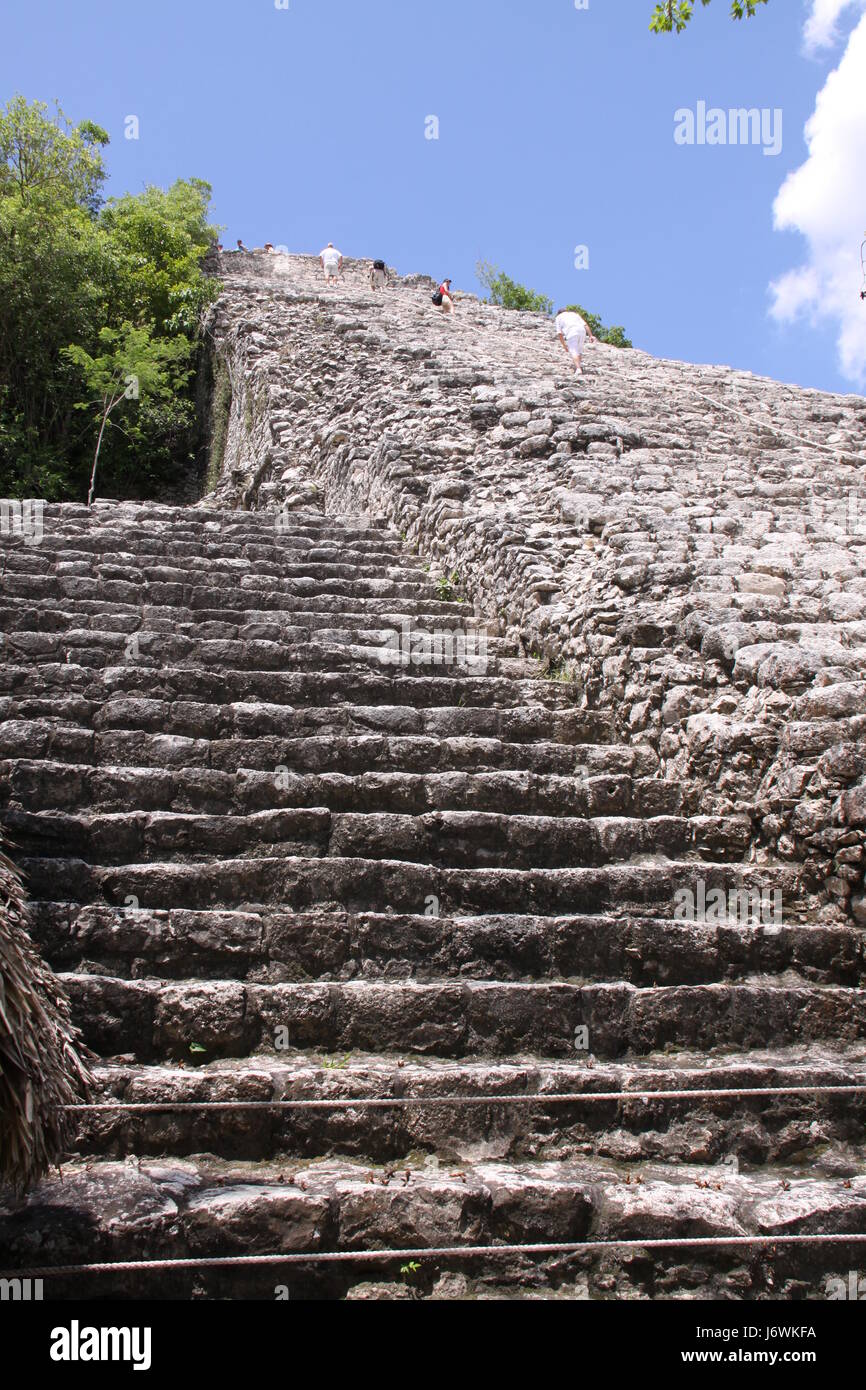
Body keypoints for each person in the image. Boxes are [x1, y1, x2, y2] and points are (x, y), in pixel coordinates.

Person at [554, 307, 595, 375]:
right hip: (582, 331)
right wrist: (590, 335)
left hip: (571, 332)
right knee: (579, 350)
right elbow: (585, 325)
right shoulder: (575, 314)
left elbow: (559, 333)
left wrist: (564, 345)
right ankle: (579, 365)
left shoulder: (558, 317)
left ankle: (578, 369)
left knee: (573, 351)